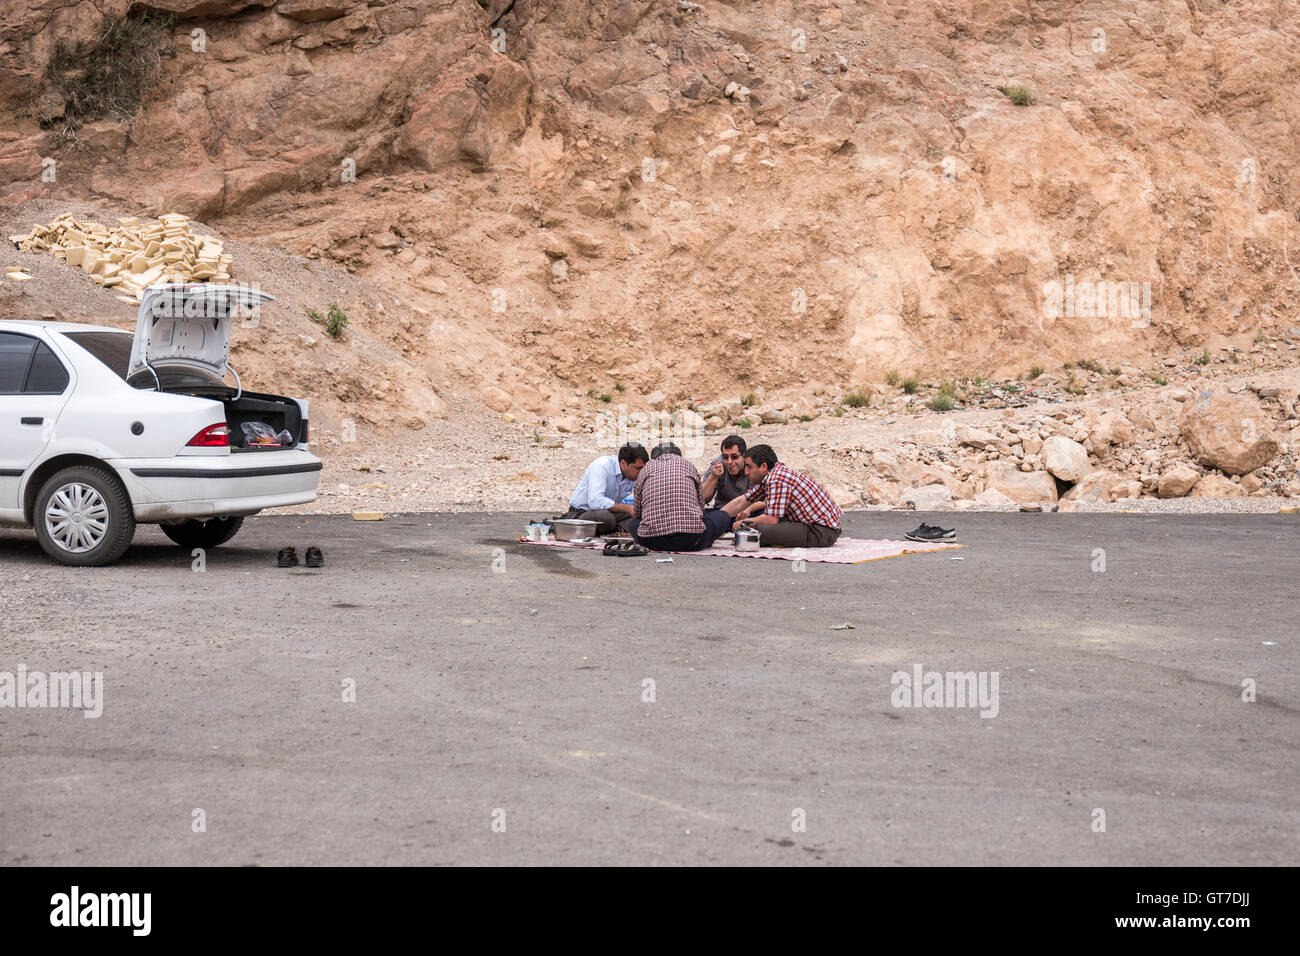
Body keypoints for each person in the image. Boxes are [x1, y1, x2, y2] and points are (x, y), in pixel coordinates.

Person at [721, 443, 843, 548]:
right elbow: (743, 500)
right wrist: (718, 518)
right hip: (814, 525)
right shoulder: (771, 475)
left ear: (763, 467)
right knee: (754, 526)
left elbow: (771, 518)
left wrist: (744, 523)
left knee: (756, 532)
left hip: (821, 531)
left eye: (749, 467)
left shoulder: (777, 480)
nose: (746, 472)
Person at [625, 442, 734, 551]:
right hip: (691, 541)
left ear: (654, 458)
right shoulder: (689, 466)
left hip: (651, 542)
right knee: (723, 516)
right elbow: (700, 509)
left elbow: (637, 513)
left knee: (633, 523)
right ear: (679, 455)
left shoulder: (645, 470)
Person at [563, 443, 649, 534]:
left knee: (640, 520)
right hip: (582, 513)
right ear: (623, 464)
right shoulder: (602, 465)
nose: (641, 472)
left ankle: (615, 530)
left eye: (643, 468)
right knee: (605, 517)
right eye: (638, 468)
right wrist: (627, 508)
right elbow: (595, 502)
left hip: (611, 513)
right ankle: (616, 529)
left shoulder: (633, 475)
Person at [700, 434, 758, 509]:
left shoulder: (753, 466)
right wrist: (713, 477)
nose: (729, 461)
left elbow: (763, 498)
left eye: (734, 457)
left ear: (744, 455)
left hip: (749, 510)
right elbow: (702, 499)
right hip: (722, 511)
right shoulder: (717, 465)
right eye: (725, 457)